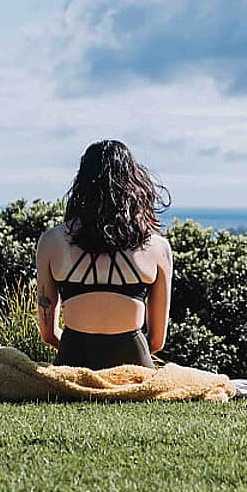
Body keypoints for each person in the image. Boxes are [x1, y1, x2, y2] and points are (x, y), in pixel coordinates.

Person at [35, 139, 173, 369]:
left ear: (81, 183)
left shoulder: (52, 241)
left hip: (72, 363)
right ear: (133, 181)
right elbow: (157, 341)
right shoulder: (157, 247)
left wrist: (82, 353)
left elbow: (48, 335)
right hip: (135, 367)